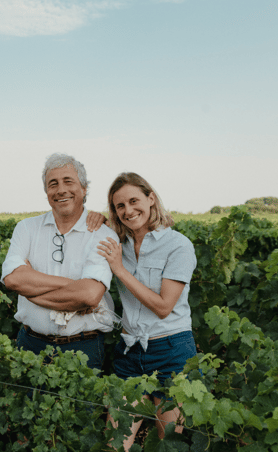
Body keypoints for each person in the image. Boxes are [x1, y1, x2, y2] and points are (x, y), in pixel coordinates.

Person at [97, 172, 197, 449]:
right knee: (114, 444)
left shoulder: (178, 245)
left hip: (172, 353)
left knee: (169, 444)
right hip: (130, 352)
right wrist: (93, 218)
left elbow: (164, 307)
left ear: (151, 198)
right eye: (120, 206)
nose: (128, 211)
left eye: (134, 201)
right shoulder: (119, 245)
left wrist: (119, 270)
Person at [1, 153, 119, 370]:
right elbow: (13, 280)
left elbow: (89, 295)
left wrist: (31, 290)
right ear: (46, 192)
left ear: (84, 189)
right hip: (30, 344)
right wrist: (73, 286)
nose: (61, 190)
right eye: (53, 184)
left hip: (83, 348)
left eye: (68, 181)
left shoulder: (103, 234)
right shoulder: (26, 228)